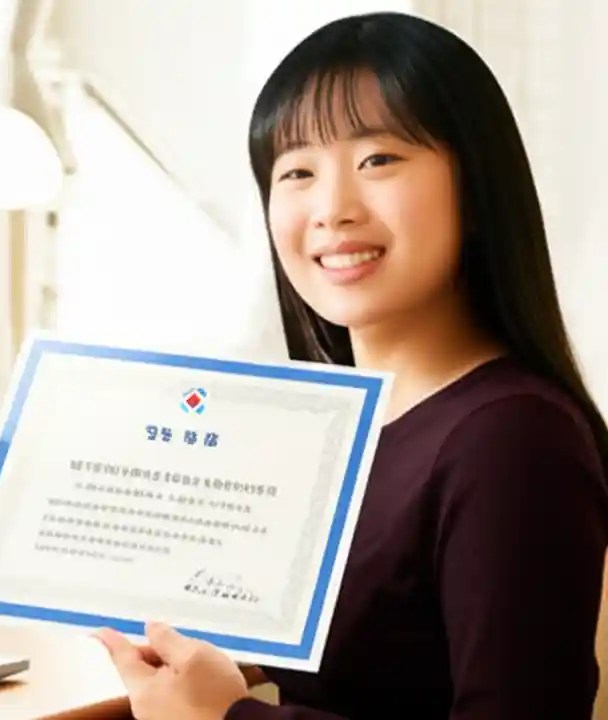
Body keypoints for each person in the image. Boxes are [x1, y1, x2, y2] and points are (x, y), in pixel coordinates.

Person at [94, 11, 608, 720]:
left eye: (378, 161)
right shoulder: (332, 434)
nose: (332, 209)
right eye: (297, 171)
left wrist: (231, 717)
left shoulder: (511, 438)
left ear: (477, 183)